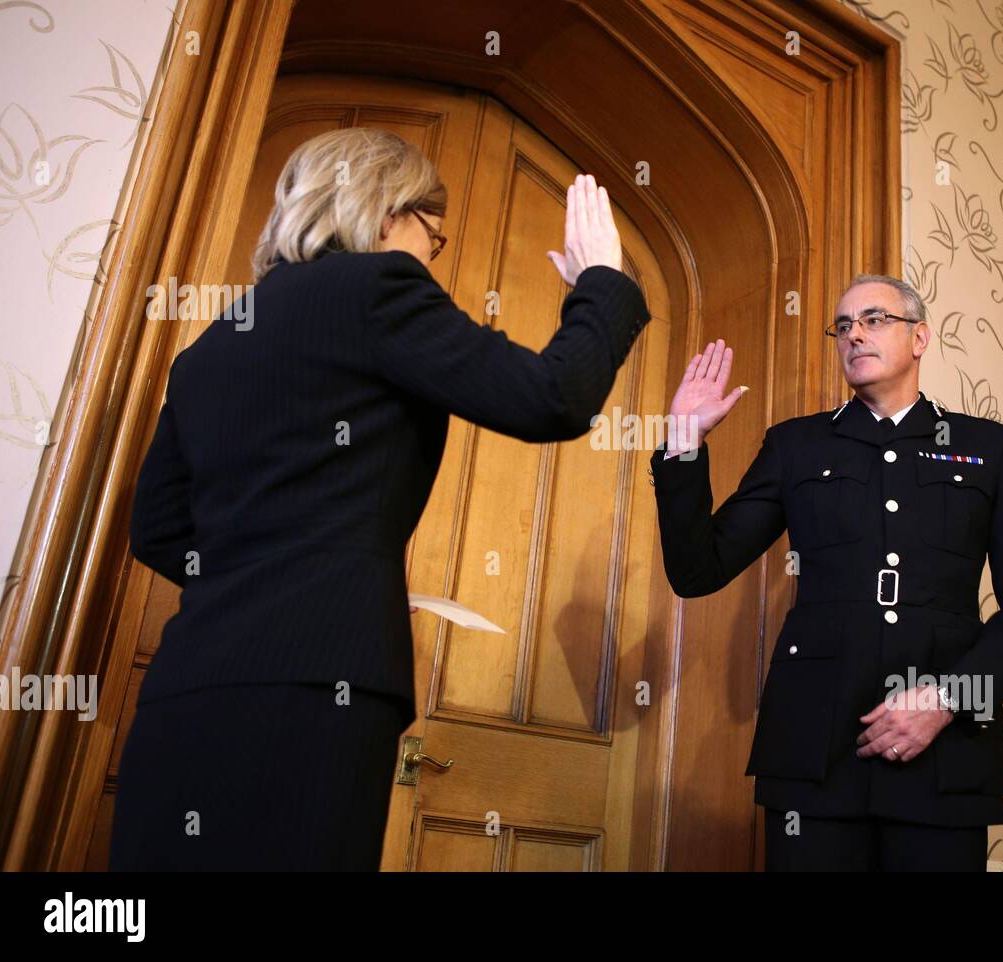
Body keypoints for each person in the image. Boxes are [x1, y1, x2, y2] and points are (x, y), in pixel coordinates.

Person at [111, 127, 649, 870]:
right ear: (389, 212)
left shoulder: (214, 341)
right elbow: (552, 398)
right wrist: (603, 285)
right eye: (437, 236)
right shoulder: (375, 288)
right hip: (314, 693)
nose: (434, 257)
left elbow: (158, 529)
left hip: (189, 684)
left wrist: (275, 577)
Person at [649, 274, 1003, 871]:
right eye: (843, 325)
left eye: (874, 320)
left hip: (943, 758)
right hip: (814, 753)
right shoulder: (796, 446)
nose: (854, 334)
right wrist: (684, 443)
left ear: (919, 338)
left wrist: (950, 698)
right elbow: (699, 569)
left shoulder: (988, 448)